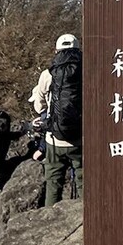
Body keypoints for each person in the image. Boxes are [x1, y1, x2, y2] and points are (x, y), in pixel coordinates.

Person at [30, 33, 83, 206]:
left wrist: (48, 117)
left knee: (53, 183)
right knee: (84, 182)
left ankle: (50, 220)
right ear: (78, 49)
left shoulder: (48, 73)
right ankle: (86, 223)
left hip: (55, 139)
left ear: (56, 51)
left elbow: (39, 107)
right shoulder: (89, 70)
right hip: (82, 139)